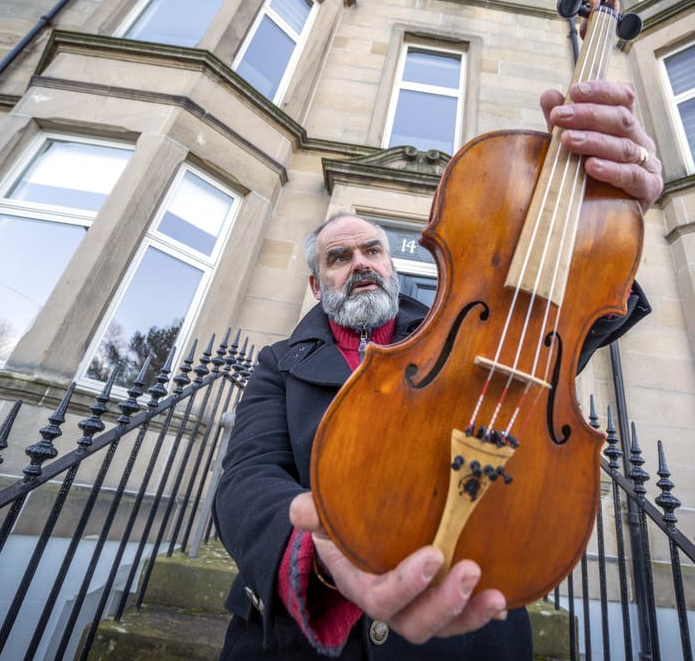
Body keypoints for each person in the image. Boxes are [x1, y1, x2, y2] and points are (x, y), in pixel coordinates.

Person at [214, 80, 663, 660]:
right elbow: (245, 479)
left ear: (392, 263)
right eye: (339, 257)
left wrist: (610, 215)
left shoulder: (468, 333)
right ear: (315, 283)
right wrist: (314, 553)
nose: (360, 265)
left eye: (372, 251)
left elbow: (560, 326)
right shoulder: (278, 364)